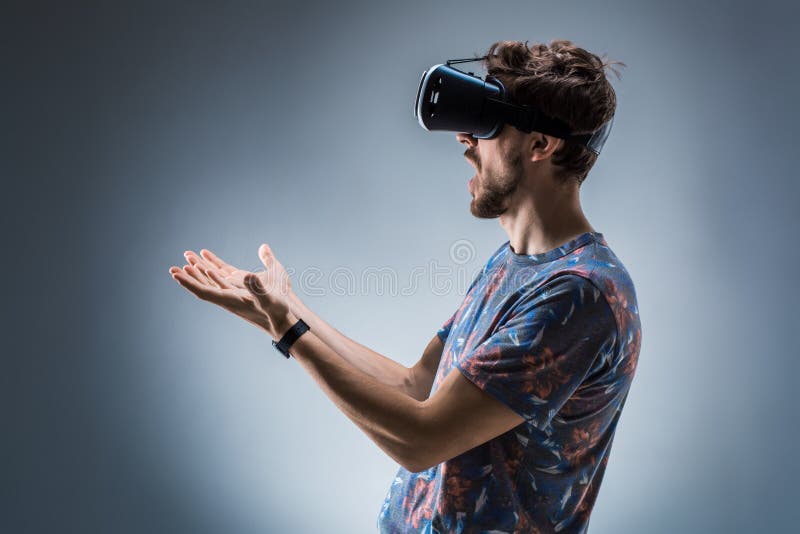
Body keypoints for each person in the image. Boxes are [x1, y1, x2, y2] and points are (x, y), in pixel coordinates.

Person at [169, 38, 641, 534]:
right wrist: (285, 312)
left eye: (486, 126)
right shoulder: (516, 265)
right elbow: (418, 387)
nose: (464, 142)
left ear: (541, 145)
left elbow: (422, 439)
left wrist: (290, 333)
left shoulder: (579, 293)